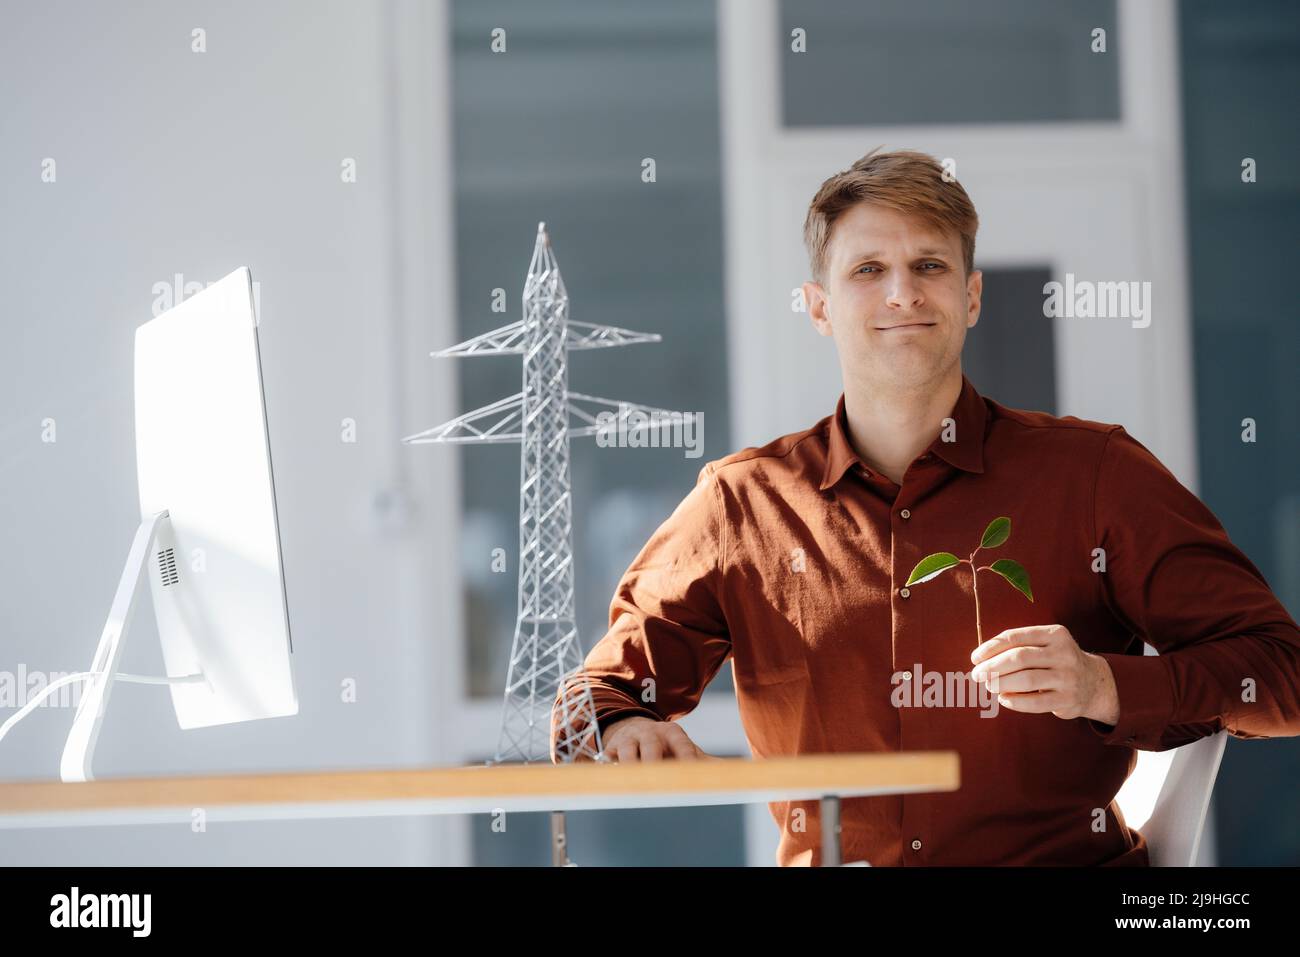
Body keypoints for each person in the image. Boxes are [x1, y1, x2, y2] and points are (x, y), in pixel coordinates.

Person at [549, 147, 1300, 866]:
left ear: (971, 297)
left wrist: (1103, 685)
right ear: (819, 308)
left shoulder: (1097, 473)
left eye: (930, 266)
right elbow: (594, 698)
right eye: (868, 269)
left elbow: (1282, 674)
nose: (902, 293)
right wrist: (624, 723)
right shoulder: (740, 503)